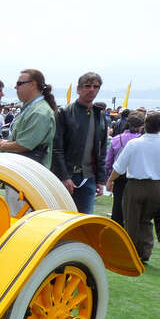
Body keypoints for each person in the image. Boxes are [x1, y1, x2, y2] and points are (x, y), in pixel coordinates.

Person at [105, 111, 160, 263]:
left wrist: (110, 180)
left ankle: (130, 252)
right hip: (155, 186)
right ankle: (145, 252)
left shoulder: (134, 144)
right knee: (146, 220)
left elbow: (119, 166)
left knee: (131, 219)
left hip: (135, 185)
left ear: (144, 125)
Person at [50, 72, 108, 214]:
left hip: (89, 177)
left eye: (96, 87)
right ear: (78, 89)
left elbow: (101, 150)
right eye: (87, 86)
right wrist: (64, 176)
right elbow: (56, 148)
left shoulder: (99, 115)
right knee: (61, 219)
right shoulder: (64, 112)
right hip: (67, 176)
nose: (91, 90)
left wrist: (100, 180)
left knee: (85, 222)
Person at [0, 69, 57, 168]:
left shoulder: (39, 112)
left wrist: (0, 144)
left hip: (29, 173)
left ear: (33, 84)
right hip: (23, 170)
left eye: (19, 83)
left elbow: (24, 145)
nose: (15, 87)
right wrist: (0, 142)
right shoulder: (31, 108)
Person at [105, 112, 143, 225]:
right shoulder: (142, 140)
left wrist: (108, 178)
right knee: (135, 205)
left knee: (117, 204)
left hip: (119, 174)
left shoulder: (116, 139)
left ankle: (116, 228)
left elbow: (108, 161)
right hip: (136, 175)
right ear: (141, 127)